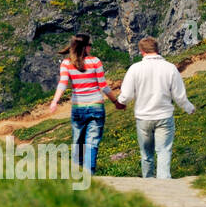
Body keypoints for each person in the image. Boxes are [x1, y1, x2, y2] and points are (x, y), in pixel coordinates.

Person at [118, 36, 196, 179]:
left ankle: (148, 182)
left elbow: (127, 95)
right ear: (157, 49)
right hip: (164, 116)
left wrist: (120, 102)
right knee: (164, 151)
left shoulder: (135, 69)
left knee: (146, 154)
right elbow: (179, 95)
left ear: (142, 51)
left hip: (143, 117)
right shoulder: (170, 68)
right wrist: (189, 108)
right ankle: (164, 182)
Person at [47, 33, 122, 174]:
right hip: (96, 106)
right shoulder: (95, 62)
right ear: (86, 47)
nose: (91, 48)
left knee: (77, 142)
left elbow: (63, 83)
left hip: (78, 108)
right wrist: (115, 102)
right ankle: (89, 175)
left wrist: (55, 101)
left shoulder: (66, 63)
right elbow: (104, 86)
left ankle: (77, 174)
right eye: (90, 45)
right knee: (91, 143)